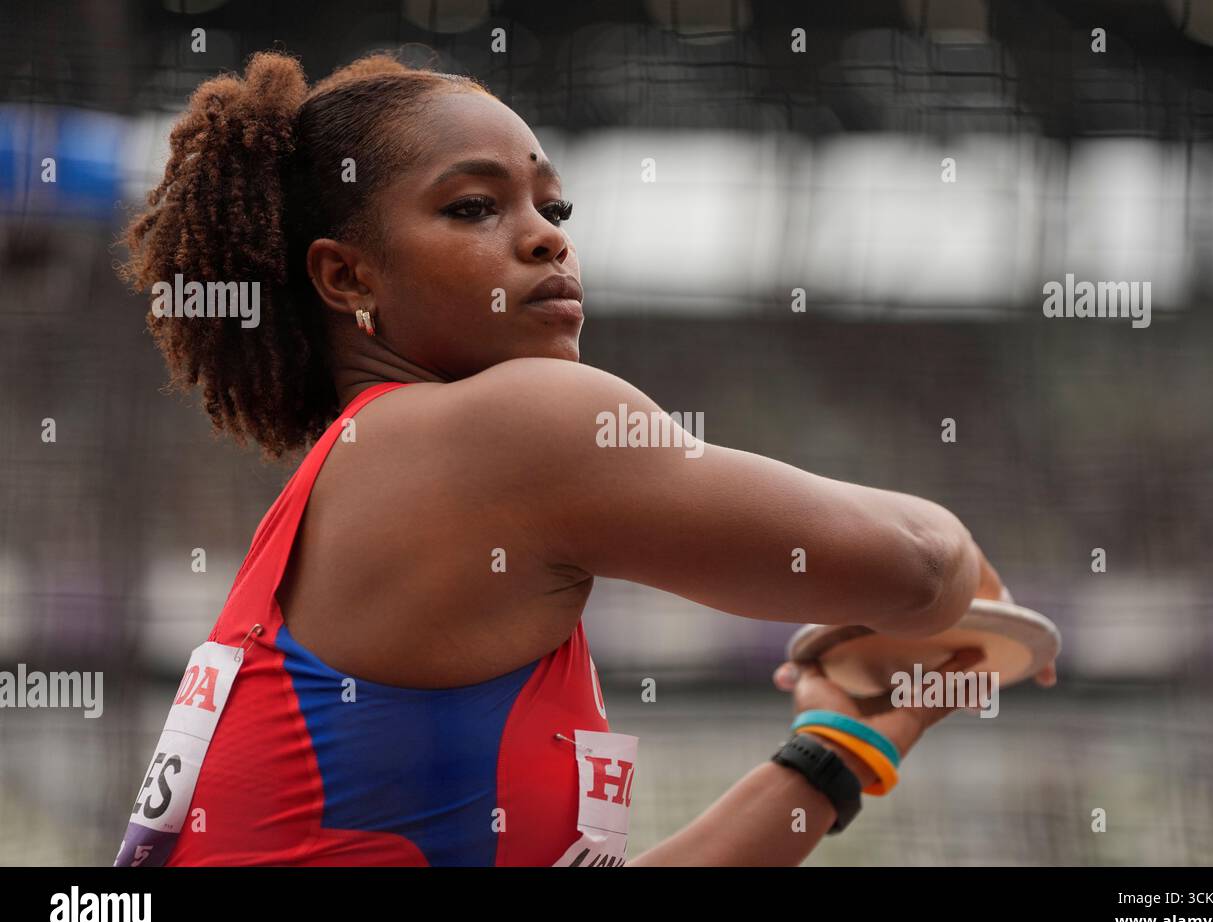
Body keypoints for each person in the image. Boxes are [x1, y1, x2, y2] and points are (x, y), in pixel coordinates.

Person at [112, 49, 1055, 867]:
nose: (548, 234)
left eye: (553, 204)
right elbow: (918, 568)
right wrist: (967, 581)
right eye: (476, 206)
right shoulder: (506, 434)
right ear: (346, 275)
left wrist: (839, 749)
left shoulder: (361, 487)